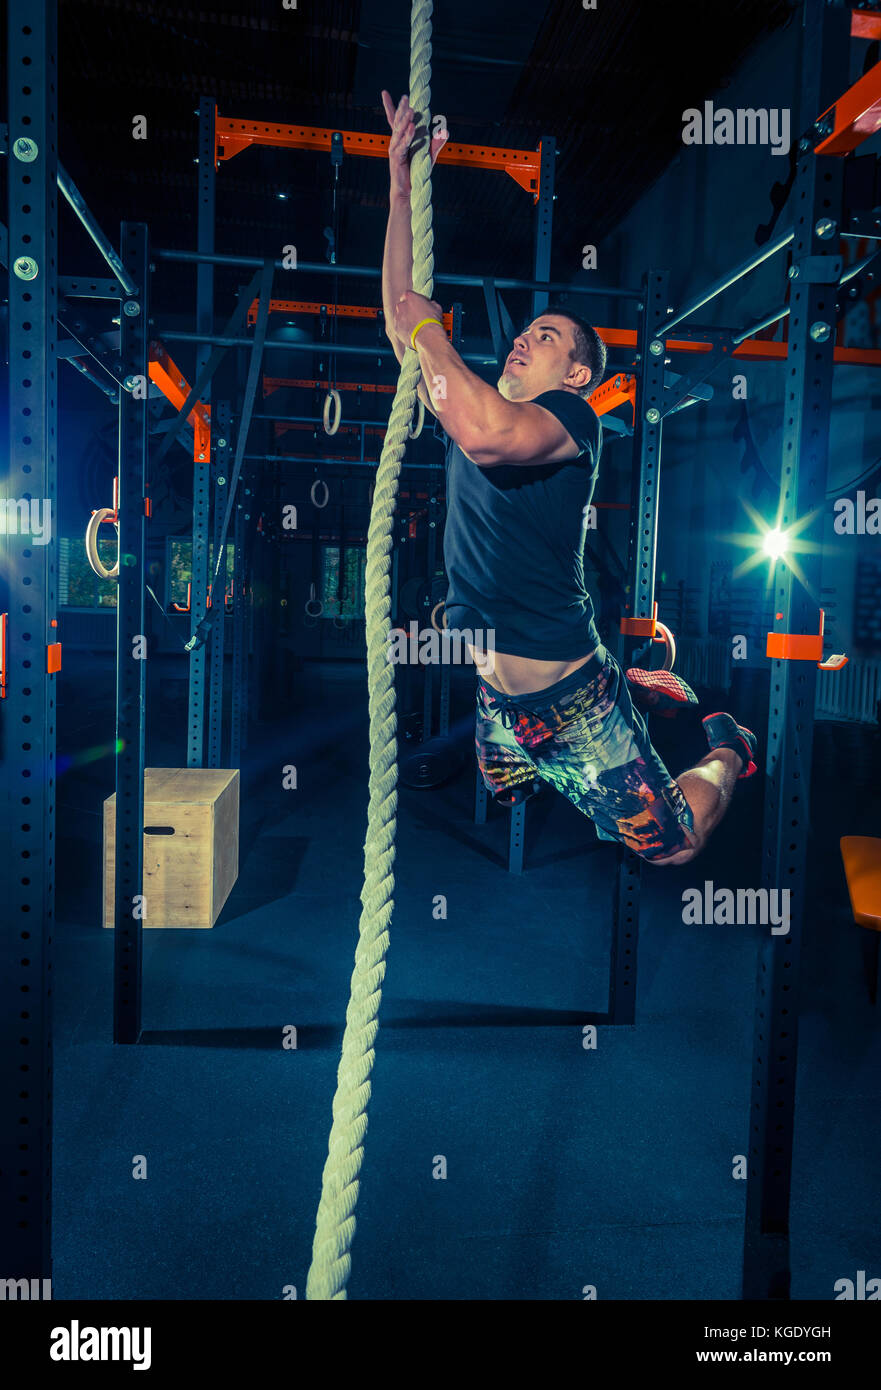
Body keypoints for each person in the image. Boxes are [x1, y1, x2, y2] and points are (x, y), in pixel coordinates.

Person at [379, 91, 758, 866]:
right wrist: (398, 184)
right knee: (505, 789)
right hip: (495, 696)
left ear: (575, 372)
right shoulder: (469, 399)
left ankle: (727, 745)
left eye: (544, 337)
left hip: (571, 701)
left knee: (672, 847)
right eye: (523, 332)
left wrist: (428, 328)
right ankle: (641, 691)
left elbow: (481, 432)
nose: (523, 340)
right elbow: (398, 317)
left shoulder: (568, 421)